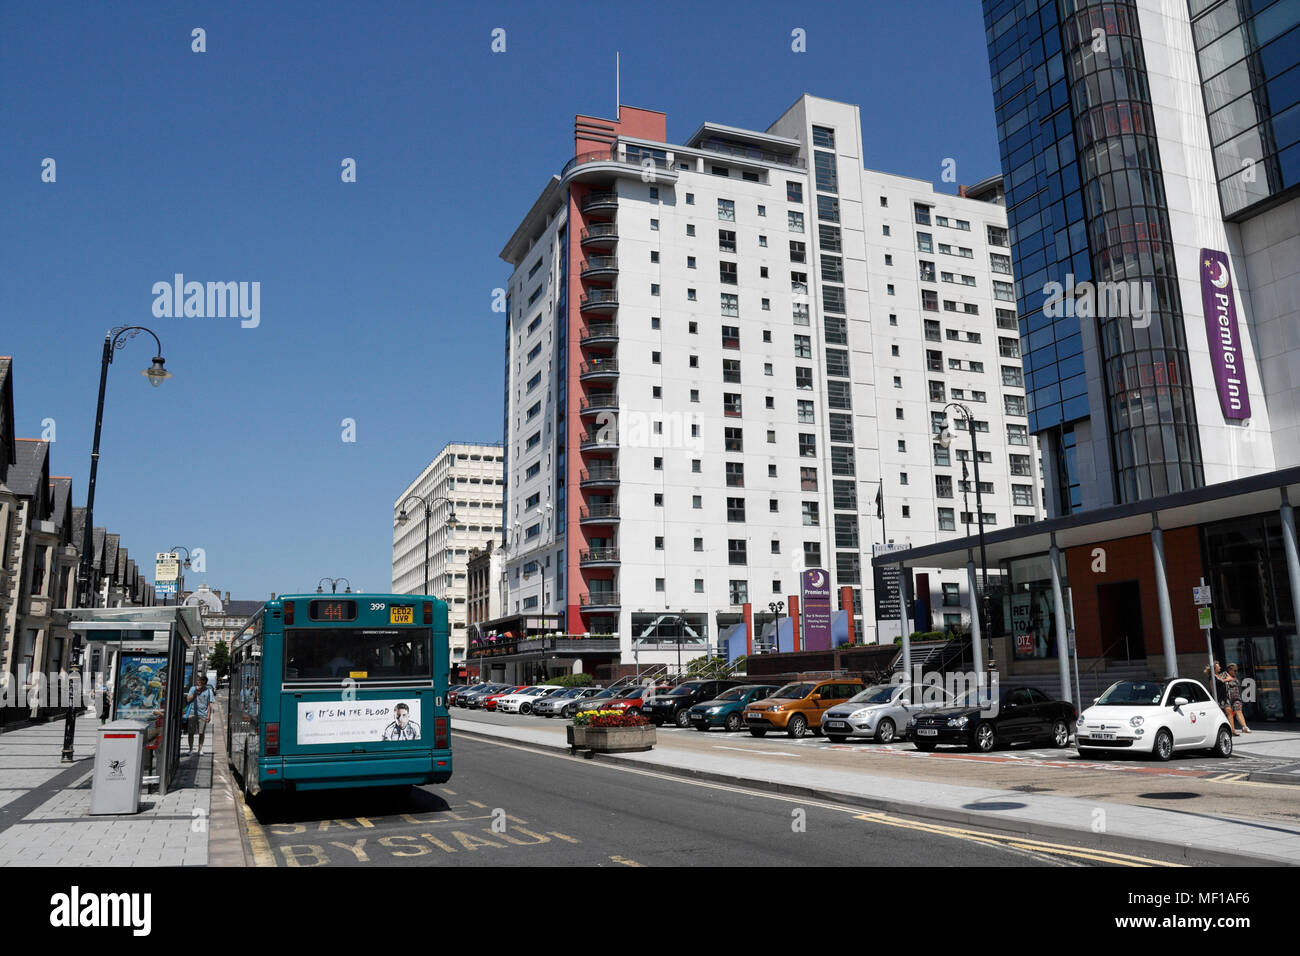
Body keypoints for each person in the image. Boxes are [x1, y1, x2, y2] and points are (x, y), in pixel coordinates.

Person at [183, 674, 216, 755]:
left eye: (201, 681)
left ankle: (200, 749)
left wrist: (208, 715)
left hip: (203, 714)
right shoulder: (193, 688)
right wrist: (195, 693)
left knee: (201, 733)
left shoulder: (209, 691)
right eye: (198, 681)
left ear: (205, 682)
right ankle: (191, 749)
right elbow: (187, 699)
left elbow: (210, 704)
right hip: (192, 714)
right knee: (191, 732)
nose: (199, 683)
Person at [1224, 663, 1252, 734]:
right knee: (1229, 714)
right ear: (1229, 670)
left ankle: (1244, 727)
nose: (1236, 672)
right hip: (1227, 698)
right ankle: (1232, 730)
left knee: (1238, 711)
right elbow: (1219, 682)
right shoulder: (1224, 675)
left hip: (1236, 698)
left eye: (1236, 670)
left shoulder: (1234, 676)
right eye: (1234, 670)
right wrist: (1228, 679)